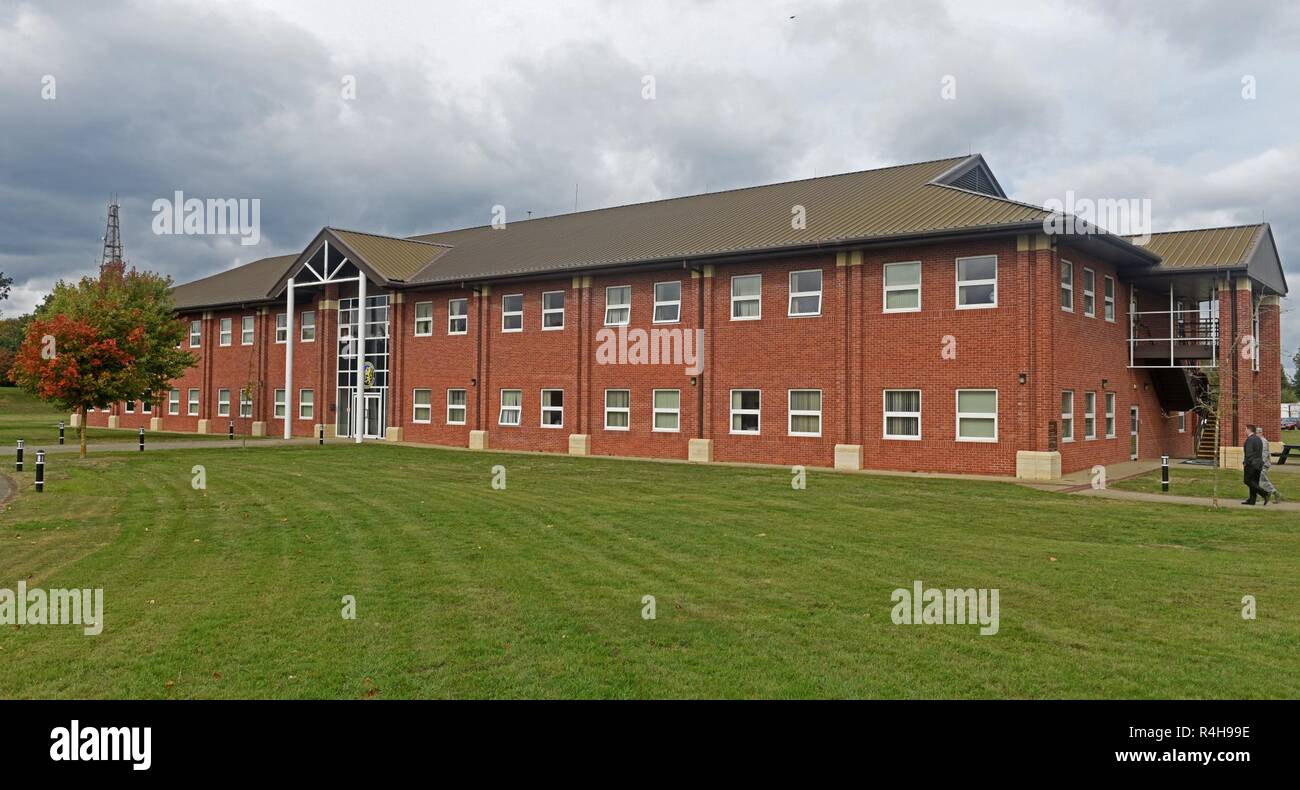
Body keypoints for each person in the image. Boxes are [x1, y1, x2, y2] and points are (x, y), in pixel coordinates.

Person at [1241, 424, 1269, 506]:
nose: (1245, 431)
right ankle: (1252, 500)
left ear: (1249, 430)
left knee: (1247, 481)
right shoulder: (1258, 439)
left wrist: (1246, 463)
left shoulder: (1250, 439)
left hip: (1251, 464)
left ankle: (1265, 494)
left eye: (1245, 429)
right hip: (1259, 464)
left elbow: (1249, 453)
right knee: (1254, 482)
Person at [1257, 426, 1282, 504]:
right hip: (1258, 464)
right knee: (1257, 480)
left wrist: (1260, 464)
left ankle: (1275, 493)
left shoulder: (1263, 441)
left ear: (1261, 433)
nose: (1256, 434)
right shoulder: (1258, 441)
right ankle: (1259, 496)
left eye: (1257, 433)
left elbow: (1264, 454)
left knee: (1263, 480)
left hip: (1263, 464)